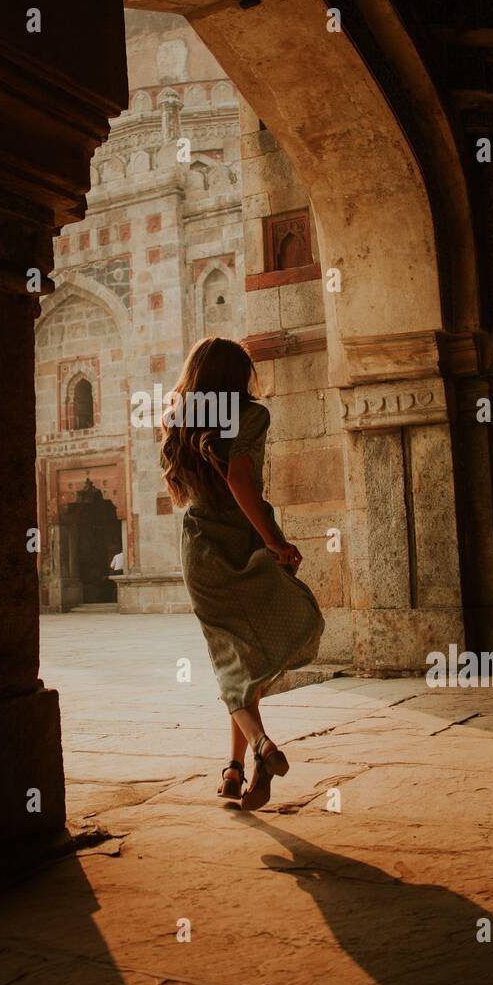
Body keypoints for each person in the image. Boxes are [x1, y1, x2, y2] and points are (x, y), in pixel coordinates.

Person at [160, 336, 325, 810]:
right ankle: (259, 747)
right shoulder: (251, 415)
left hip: (201, 547)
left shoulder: (177, 414)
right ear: (238, 377)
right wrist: (274, 540)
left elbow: (210, 482)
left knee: (231, 659)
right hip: (244, 538)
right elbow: (239, 478)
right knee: (236, 659)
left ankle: (239, 767)